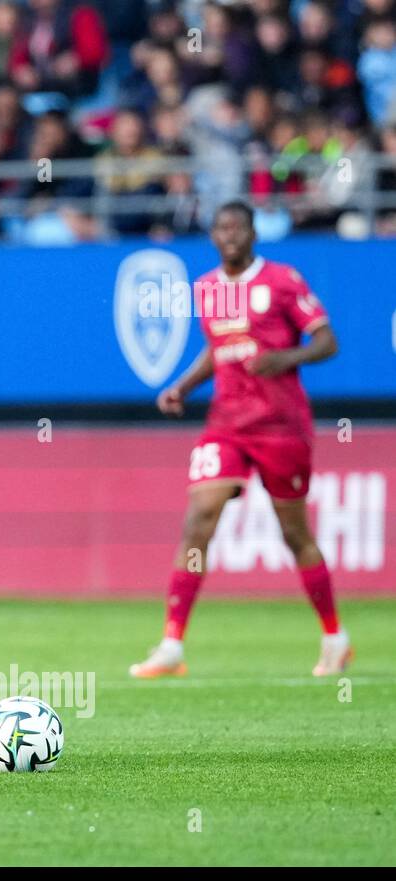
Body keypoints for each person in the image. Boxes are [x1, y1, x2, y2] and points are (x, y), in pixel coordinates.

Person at [131, 200, 349, 679]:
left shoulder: (282, 280)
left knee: (295, 534)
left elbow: (327, 341)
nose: (229, 235)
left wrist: (285, 358)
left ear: (253, 233)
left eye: (238, 227)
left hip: (280, 425)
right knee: (198, 521)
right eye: (221, 228)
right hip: (226, 424)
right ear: (212, 235)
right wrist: (183, 387)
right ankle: (171, 643)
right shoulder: (207, 288)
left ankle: (335, 636)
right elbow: (218, 348)